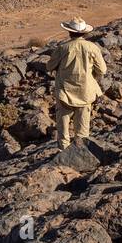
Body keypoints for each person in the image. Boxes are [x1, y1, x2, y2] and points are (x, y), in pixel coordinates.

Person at [46, 17, 107, 148]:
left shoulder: (62, 48)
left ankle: (63, 153)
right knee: (83, 130)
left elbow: (49, 66)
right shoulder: (92, 47)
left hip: (65, 93)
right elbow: (102, 70)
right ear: (84, 33)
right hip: (86, 92)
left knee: (63, 128)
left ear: (69, 32)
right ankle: (81, 154)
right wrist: (91, 78)